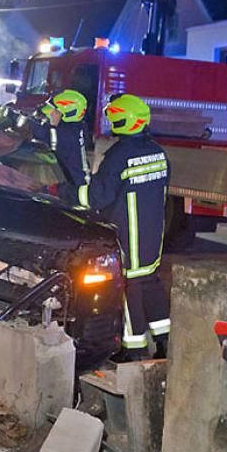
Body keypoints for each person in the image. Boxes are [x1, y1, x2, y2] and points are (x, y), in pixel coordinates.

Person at [77, 94, 170, 360]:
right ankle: (165, 341)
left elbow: (98, 197)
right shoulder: (158, 152)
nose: (111, 121)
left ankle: (133, 350)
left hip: (128, 236)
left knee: (128, 289)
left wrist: (69, 192)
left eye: (113, 117)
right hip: (152, 235)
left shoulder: (119, 155)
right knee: (150, 282)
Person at [30, 89, 90, 195]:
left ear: (68, 114)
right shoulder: (75, 127)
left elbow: (43, 136)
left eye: (54, 112)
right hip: (75, 181)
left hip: (75, 186)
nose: (50, 115)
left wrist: (24, 117)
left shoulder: (66, 134)